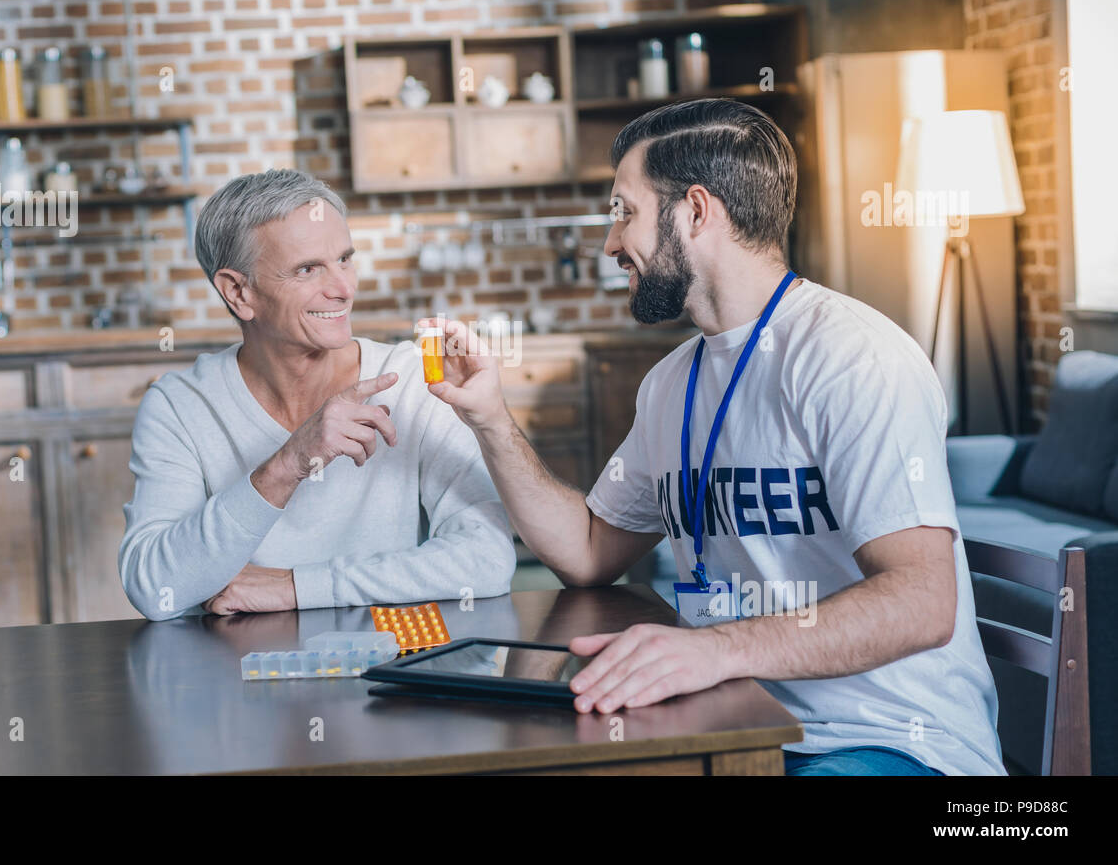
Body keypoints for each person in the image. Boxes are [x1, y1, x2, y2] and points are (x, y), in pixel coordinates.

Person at [421, 98, 1005, 776]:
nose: (610, 245)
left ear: (696, 211)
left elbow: (923, 602)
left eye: (623, 212)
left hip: (878, 740)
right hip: (733, 722)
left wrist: (719, 648)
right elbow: (587, 550)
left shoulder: (853, 359)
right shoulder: (670, 383)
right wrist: (490, 418)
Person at [119, 169, 515, 620]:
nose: (343, 289)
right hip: (238, 673)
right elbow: (155, 589)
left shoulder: (412, 381)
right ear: (238, 292)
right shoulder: (180, 405)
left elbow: (487, 561)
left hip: (390, 666)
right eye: (308, 269)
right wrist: (288, 465)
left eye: (345, 259)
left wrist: (294, 587)